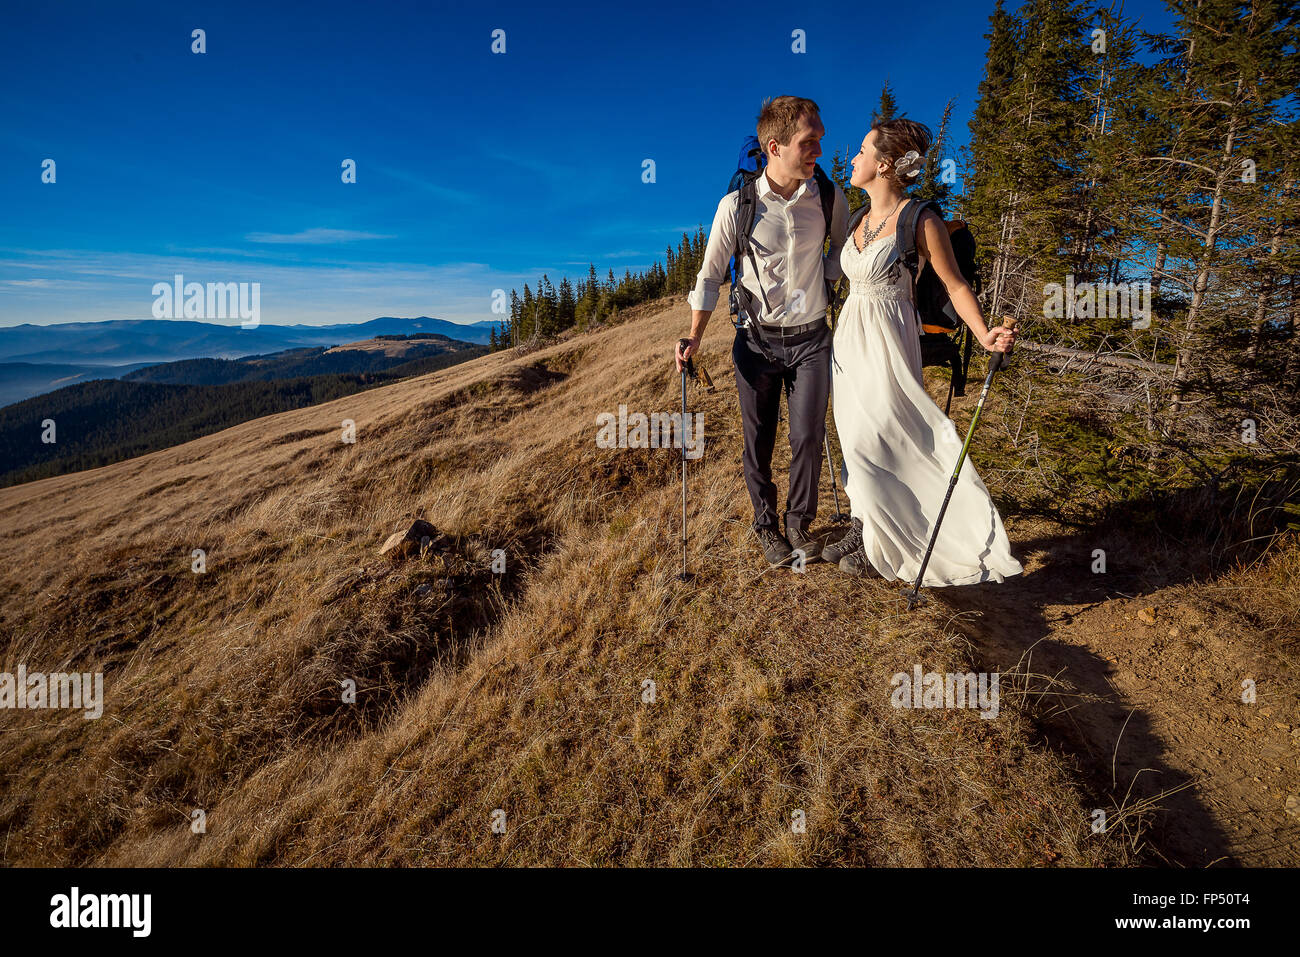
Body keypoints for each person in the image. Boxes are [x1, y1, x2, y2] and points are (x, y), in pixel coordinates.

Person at [821, 117, 1023, 585]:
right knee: (853, 437)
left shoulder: (920, 219)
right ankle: (864, 524)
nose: (854, 159)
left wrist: (982, 333)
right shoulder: (857, 219)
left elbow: (954, 284)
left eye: (863, 151)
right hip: (849, 339)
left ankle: (895, 539)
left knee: (886, 435)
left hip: (889, 338)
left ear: (885, 164)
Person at [676, 95, 849, 568]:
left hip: (813, 338)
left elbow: (840, 255)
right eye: (808, 143)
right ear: (775, 146)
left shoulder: (830, 197)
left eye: (819, 141)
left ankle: (798, 522)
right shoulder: (737, 205)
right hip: (756, 341)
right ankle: (765, 524)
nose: (818, 151)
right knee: (759, 439)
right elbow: (710, 275)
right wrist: (695, 336)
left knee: (809, 435)